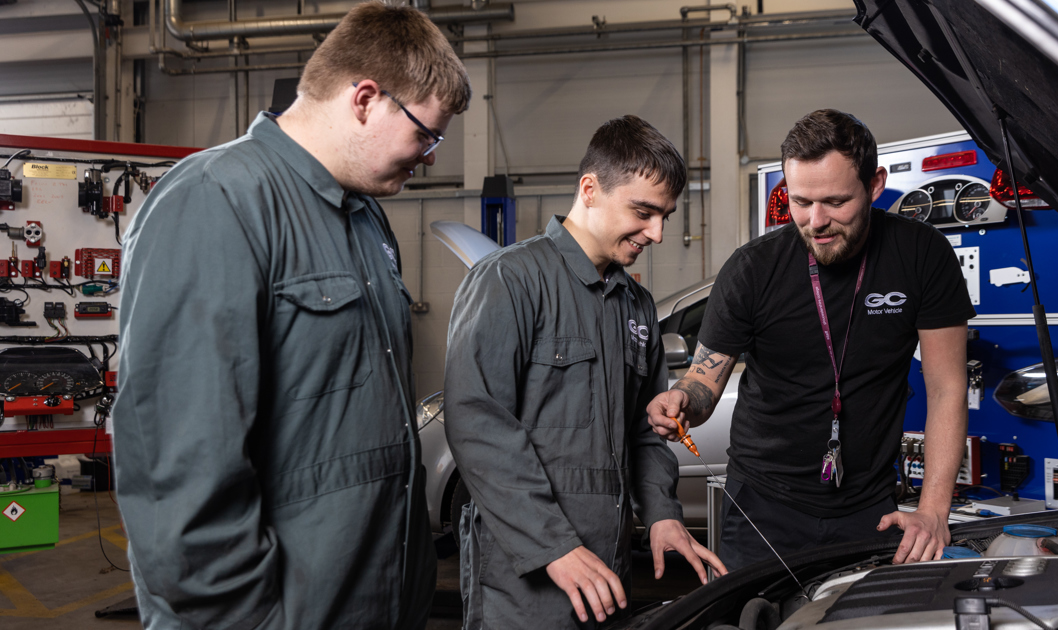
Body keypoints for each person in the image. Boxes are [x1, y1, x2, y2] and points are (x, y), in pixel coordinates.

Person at [112, 4, 470, 628]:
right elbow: (179, 471)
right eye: (425, 134)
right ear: (364, 98)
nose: (431, 156)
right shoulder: (216, 201)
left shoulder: (363, 218)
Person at [647, 109, 975, 570]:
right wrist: (681, 400)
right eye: (800, 202)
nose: (816, 221)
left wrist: (933, 511)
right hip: (761, 504)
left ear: (875, 185)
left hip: (870, 507)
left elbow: (946, 389)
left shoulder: (922, 255)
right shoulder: (753, 270)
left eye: (836, 202)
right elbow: (704, 382)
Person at [444, 115, 727, 628]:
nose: (658, 234)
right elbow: (476, 424)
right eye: (643, 212)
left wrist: (662, 513)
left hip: (609, 567)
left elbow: (644, 431)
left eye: (665, 216)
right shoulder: (509, 281)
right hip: (525, 575)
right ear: (590, 189)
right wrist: (553, 546)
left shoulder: (636, 305)